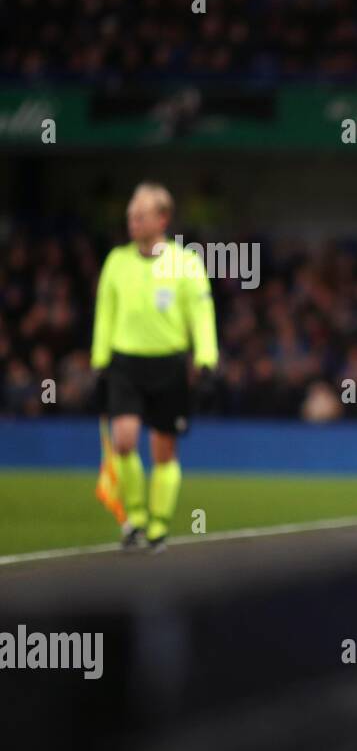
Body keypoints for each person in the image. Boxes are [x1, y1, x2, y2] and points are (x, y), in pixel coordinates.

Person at [91, 182, 218, 552]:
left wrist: (207, 357)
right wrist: (100, 360)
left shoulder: (186, 262)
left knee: (164, 450)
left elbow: (201, 312)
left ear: (162, 218)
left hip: (170, 365)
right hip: (126, 363)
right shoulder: (117, 261)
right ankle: (135, 519)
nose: (132, 221)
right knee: (124, 441)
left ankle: (159, 525)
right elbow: (105, 313)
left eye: (140, 215)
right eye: (130, 215)